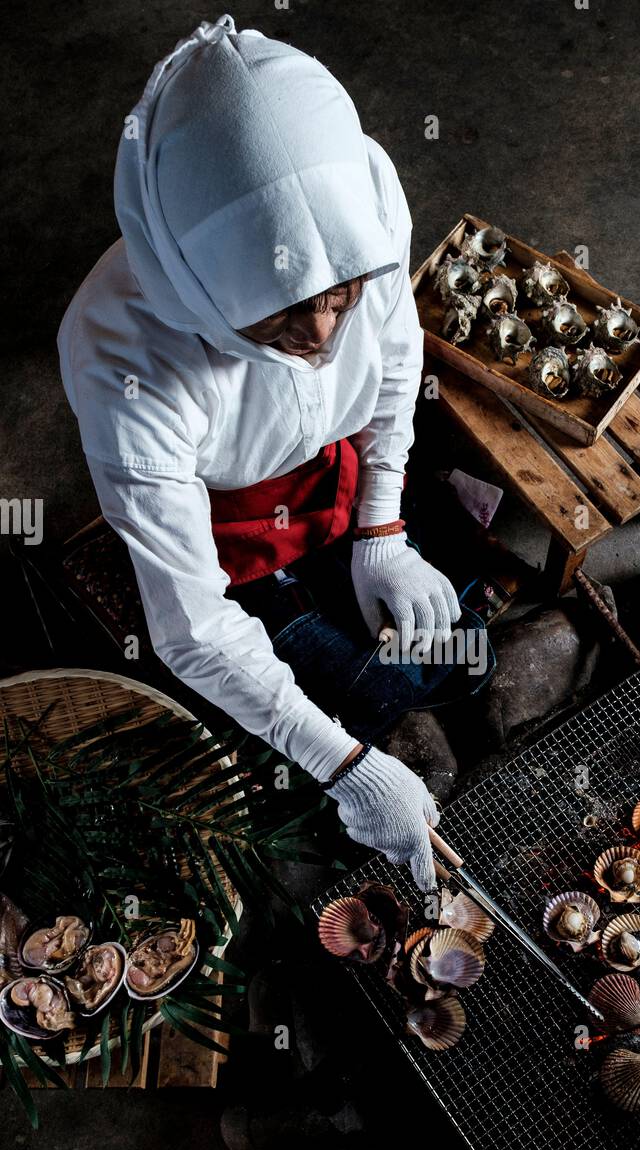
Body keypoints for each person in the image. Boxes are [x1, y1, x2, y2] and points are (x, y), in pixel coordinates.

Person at [57, 14, 487, 891]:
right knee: (377, 702)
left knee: (461, 653)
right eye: (286, 311)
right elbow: (191, 625)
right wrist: (343, 767)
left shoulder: (358, 224)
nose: (323, 335)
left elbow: (396, 356)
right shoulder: (119, 357)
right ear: (199, 284)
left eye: (340, 298)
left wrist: (383, 528)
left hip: (337, 481)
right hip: (234, 537)